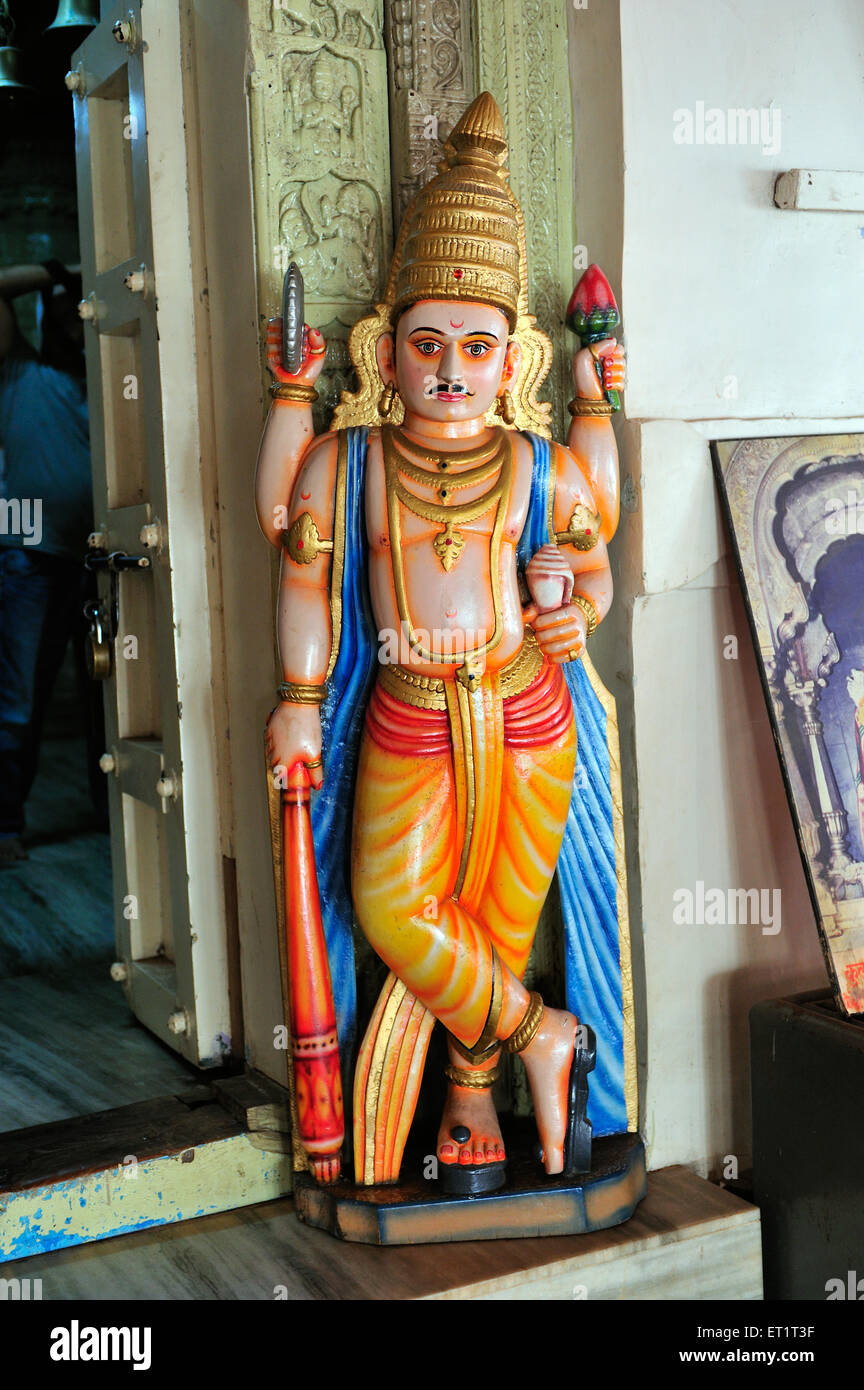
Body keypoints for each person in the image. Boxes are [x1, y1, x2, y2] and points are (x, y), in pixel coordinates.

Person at [257, 93, 628, 1192]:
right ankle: (539, 1036)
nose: (452, 369)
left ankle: (473, 1104)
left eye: (477, 346)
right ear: (387, 347)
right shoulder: (347, 458)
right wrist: (294, 695)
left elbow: (597, 550)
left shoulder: (537, 462)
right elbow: (301, 562)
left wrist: (581, 605)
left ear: (511, 356)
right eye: (428, 345)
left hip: (526, 705)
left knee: (501, 917)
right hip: (410, 708)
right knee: (393, 907)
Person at [0, 260, 91, 864]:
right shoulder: (19, 373)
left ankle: (119, 817)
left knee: (115, 695)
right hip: (25, 556)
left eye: (77, 310)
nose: (69, 320)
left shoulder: (115, 382)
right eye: (58, 310)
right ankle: (5, 824)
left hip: (101, 560)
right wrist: (65, 270)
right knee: (18, 697)